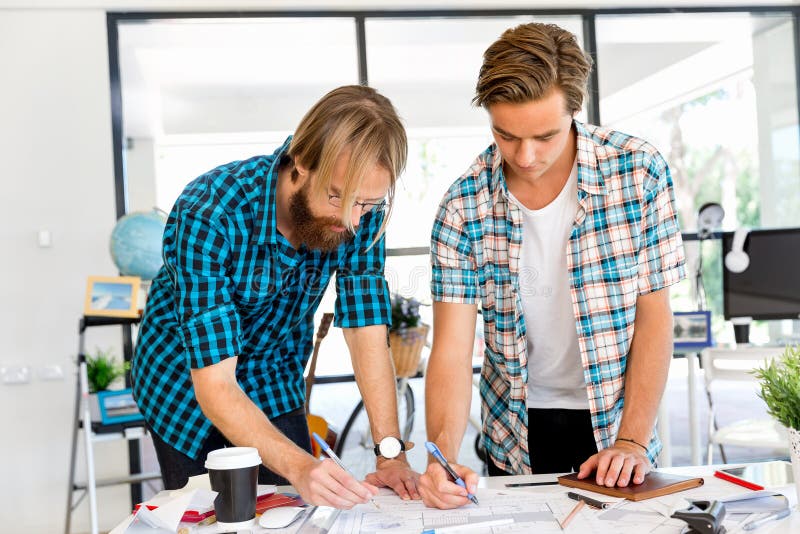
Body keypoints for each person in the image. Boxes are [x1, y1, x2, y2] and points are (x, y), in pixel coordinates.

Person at [420, 23, 686, 509]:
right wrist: (442, 453)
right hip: (516, 430)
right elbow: (453, 352)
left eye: (544, 136)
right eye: (505, 135)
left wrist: (632, 440)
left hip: (619, 419)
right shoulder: (462, 206)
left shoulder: (639, 172)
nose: (525, 156)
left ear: (574, 111)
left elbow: (654, 315)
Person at [132, 85, 420, 509]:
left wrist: (389, 452)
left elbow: (366, 329)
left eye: (367, 203)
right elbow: (215, 385)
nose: (352, 219)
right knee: (210, 515)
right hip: (186, 385)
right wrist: (301, 467)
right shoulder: (208, 211)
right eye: (338, 197)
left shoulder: (360, 211)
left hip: (272, 373)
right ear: (300, 163)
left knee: (295, 510)